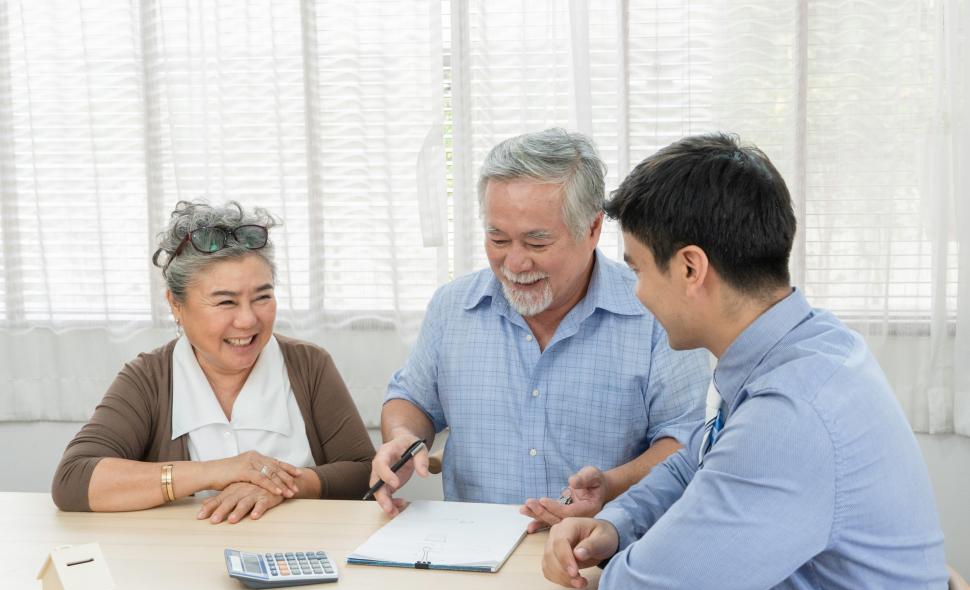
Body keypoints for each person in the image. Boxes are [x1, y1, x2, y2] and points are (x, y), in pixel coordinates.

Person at [541, 133, 949, 590]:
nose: (637, 291)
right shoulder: (806, 344)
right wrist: (620, 523)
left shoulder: (790, 418)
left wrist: (635, 558)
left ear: (691, 268)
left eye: (638, 269)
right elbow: (698, 461)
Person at [369, 128, 710, 527]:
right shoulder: (453, 307)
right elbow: (411, 400)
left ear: (593, 229)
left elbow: (685, 443)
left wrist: (611, 485)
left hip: (603, 550)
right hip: (471, 548)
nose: (514, 264)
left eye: (536, 243)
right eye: (498, 239)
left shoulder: (653, 312)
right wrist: (402, 438)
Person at [52, 200, 375, 523]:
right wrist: (216, 472)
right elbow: (74, 480)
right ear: (176, 305)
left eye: (262, 297)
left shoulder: (309, 365)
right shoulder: (149, 377)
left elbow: (364, 472)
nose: (248, 320)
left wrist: (282, 486)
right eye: (225, 302)